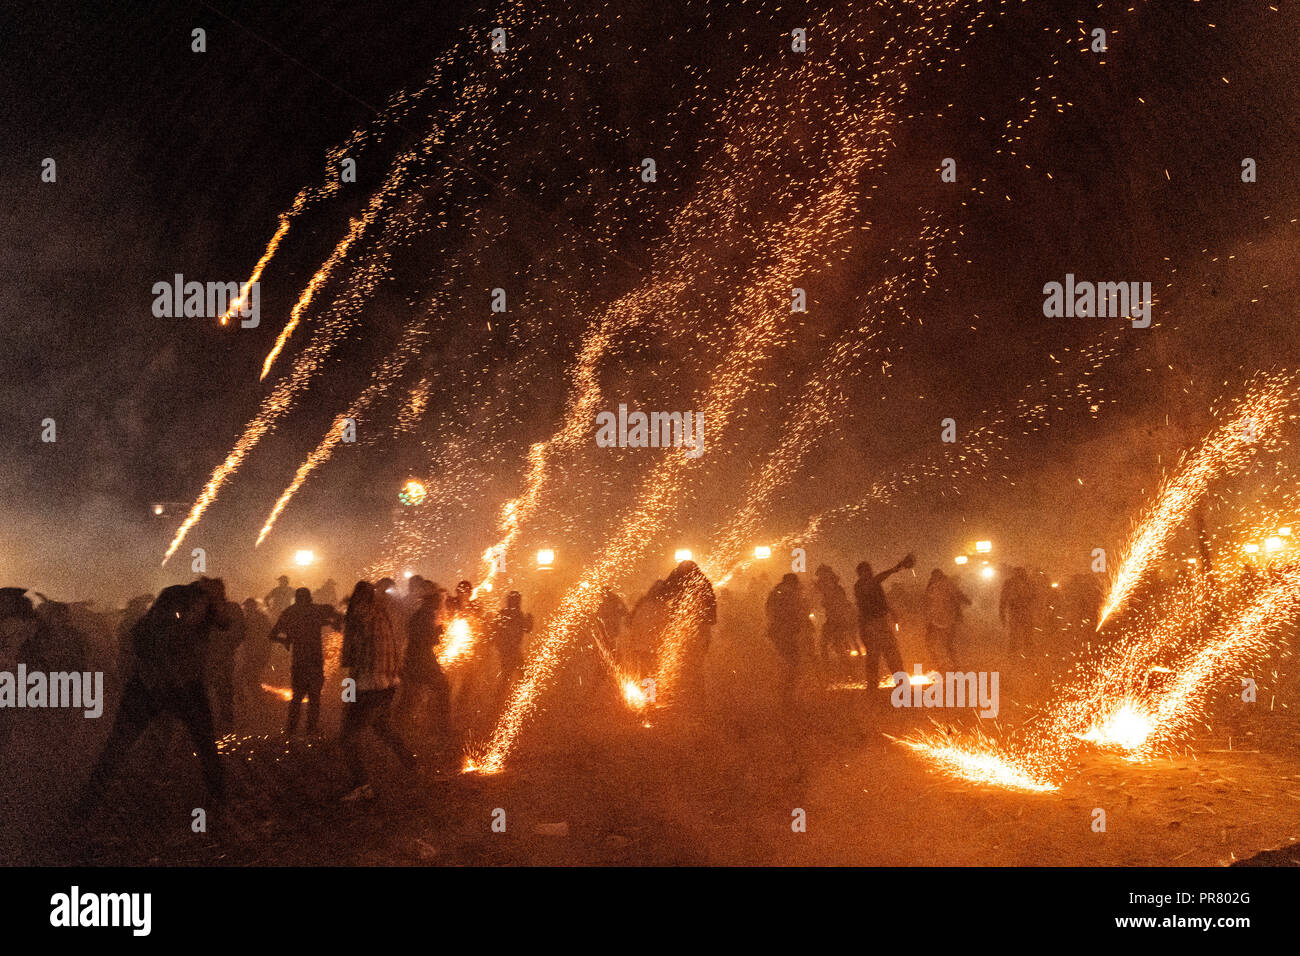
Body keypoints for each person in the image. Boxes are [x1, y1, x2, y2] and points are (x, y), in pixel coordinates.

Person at [79, 578, 233, 810]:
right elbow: (146, 639)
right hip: (155, 684)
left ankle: (88, 802)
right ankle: (88, 802)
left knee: (204, 744)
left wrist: (216, 603)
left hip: (176, 684)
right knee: (120, 743)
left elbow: (224, 623)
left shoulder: (202, 606)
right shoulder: (174, 605)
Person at [338, 581, 416, 802]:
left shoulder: (357, 617)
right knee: (381, 726)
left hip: (367, 686)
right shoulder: (383, 615)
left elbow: (350, 659)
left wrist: (349, 695)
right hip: (389, 684)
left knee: (347, 738)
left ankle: (362, 786)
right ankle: (411, 763)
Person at [271, 587, 342, 735]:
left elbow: (272, 635)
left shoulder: (290, 612)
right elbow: (338, 615)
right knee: (314, 697)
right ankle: (311, 729)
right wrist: (334, 623)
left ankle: (291, 730)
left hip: (300, 661)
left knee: (297, 697)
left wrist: (286, 640)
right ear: (310, 598)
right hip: (314, 660)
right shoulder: (315, 610)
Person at [399, 580, 451, 745]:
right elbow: (428, 640)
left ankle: (404, 725)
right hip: (421, 659)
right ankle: (440, 728)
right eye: (438, 599)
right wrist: (439, 631)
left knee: (412, 694)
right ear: (432, 600)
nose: (440, 601)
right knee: (441, 689)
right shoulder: (427, 614)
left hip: (416, 658)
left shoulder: (422, 613)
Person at [853, 554, 913, 685]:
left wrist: (892, 613)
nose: (869, 573)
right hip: (870, 625)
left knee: (891, 655)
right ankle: (874, 687)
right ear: (861, 573)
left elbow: (882, 601)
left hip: (879, 623)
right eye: (866, 571)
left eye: (869, 571)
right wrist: (894, 569)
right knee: (877, 657)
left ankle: (900, 685)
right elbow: (876, 580)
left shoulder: (873, 584)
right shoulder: (860, 586)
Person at [766, 574, 811, 707]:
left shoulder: (776, 593)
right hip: (785, 633)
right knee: (792, 664)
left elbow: (769, 611)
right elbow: (797, 612)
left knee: (787, 663)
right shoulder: (788, 594)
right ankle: (786, 696)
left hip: (779, 632)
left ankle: (785, 695)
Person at [207, 599, 246, 731]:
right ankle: (221, 722)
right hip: (212, 657)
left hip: (220, 657)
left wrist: (229, 646)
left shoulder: (229, 609)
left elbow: (241, 632)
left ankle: (225, 722)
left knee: (223, 690)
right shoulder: (206, 609)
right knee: (217, 691)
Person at [924, 569, 970, 668]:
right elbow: (927, 601)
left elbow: (957, 595)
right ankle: (939, 664)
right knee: (930, 642)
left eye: (935, 575)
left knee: (947, 643)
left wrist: (965, 602)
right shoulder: (932, 586)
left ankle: (954, 665)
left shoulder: (947, 584)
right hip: (935, 619)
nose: (933, 577)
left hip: (947, 619)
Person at [813, 565, 857, 665]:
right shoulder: (830, 588)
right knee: (831, 644)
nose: (820, 578)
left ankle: (841, 665)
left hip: (837, 620)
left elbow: (840, 603)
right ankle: (841, 665)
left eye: (822, 576)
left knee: (831, 643)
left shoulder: (834, 589)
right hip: (833, 620)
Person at [237, 597, 272, 718]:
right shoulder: (258, 618)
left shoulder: (255, 619)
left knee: (249, 678)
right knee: (250, 678)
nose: (246, 609)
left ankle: (260, 705)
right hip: (255, 653)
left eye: (247, 607)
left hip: (257, 653)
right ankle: (259, 703)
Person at [492, 591, 534, 690]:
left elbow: (527, 628)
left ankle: (511, 698)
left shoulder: (516, 614)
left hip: (513, 650)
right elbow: (494, 631)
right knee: (510, 675)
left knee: (511, 675)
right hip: (507, 650)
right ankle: (502, 700)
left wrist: (529, 619)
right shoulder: (506, 614)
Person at [999, 567, 1035, 655]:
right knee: (1017, 633)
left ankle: (1026, 652)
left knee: (1026, 633)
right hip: (1016, 610)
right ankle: (1015, 652)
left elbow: (1034, 597)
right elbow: (1004, 598)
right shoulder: (1010, 583)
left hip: (1024, 610)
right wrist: (1002, 612)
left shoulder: (1028, 582)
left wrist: (1002, 612)